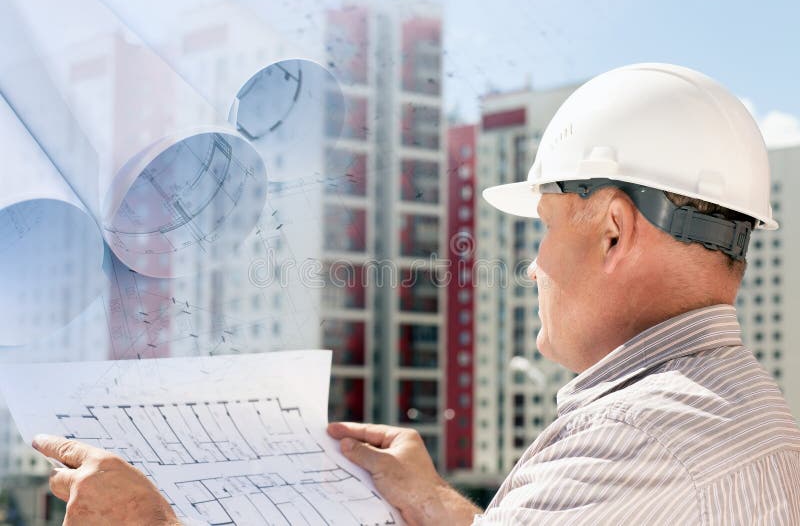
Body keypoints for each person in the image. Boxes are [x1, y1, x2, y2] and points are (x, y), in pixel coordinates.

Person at [33, 63, 800, 524]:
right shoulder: (748, 411)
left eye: (542, 226)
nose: (532, 267)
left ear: (611, 230)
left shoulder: (637, 436)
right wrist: (437, 506)